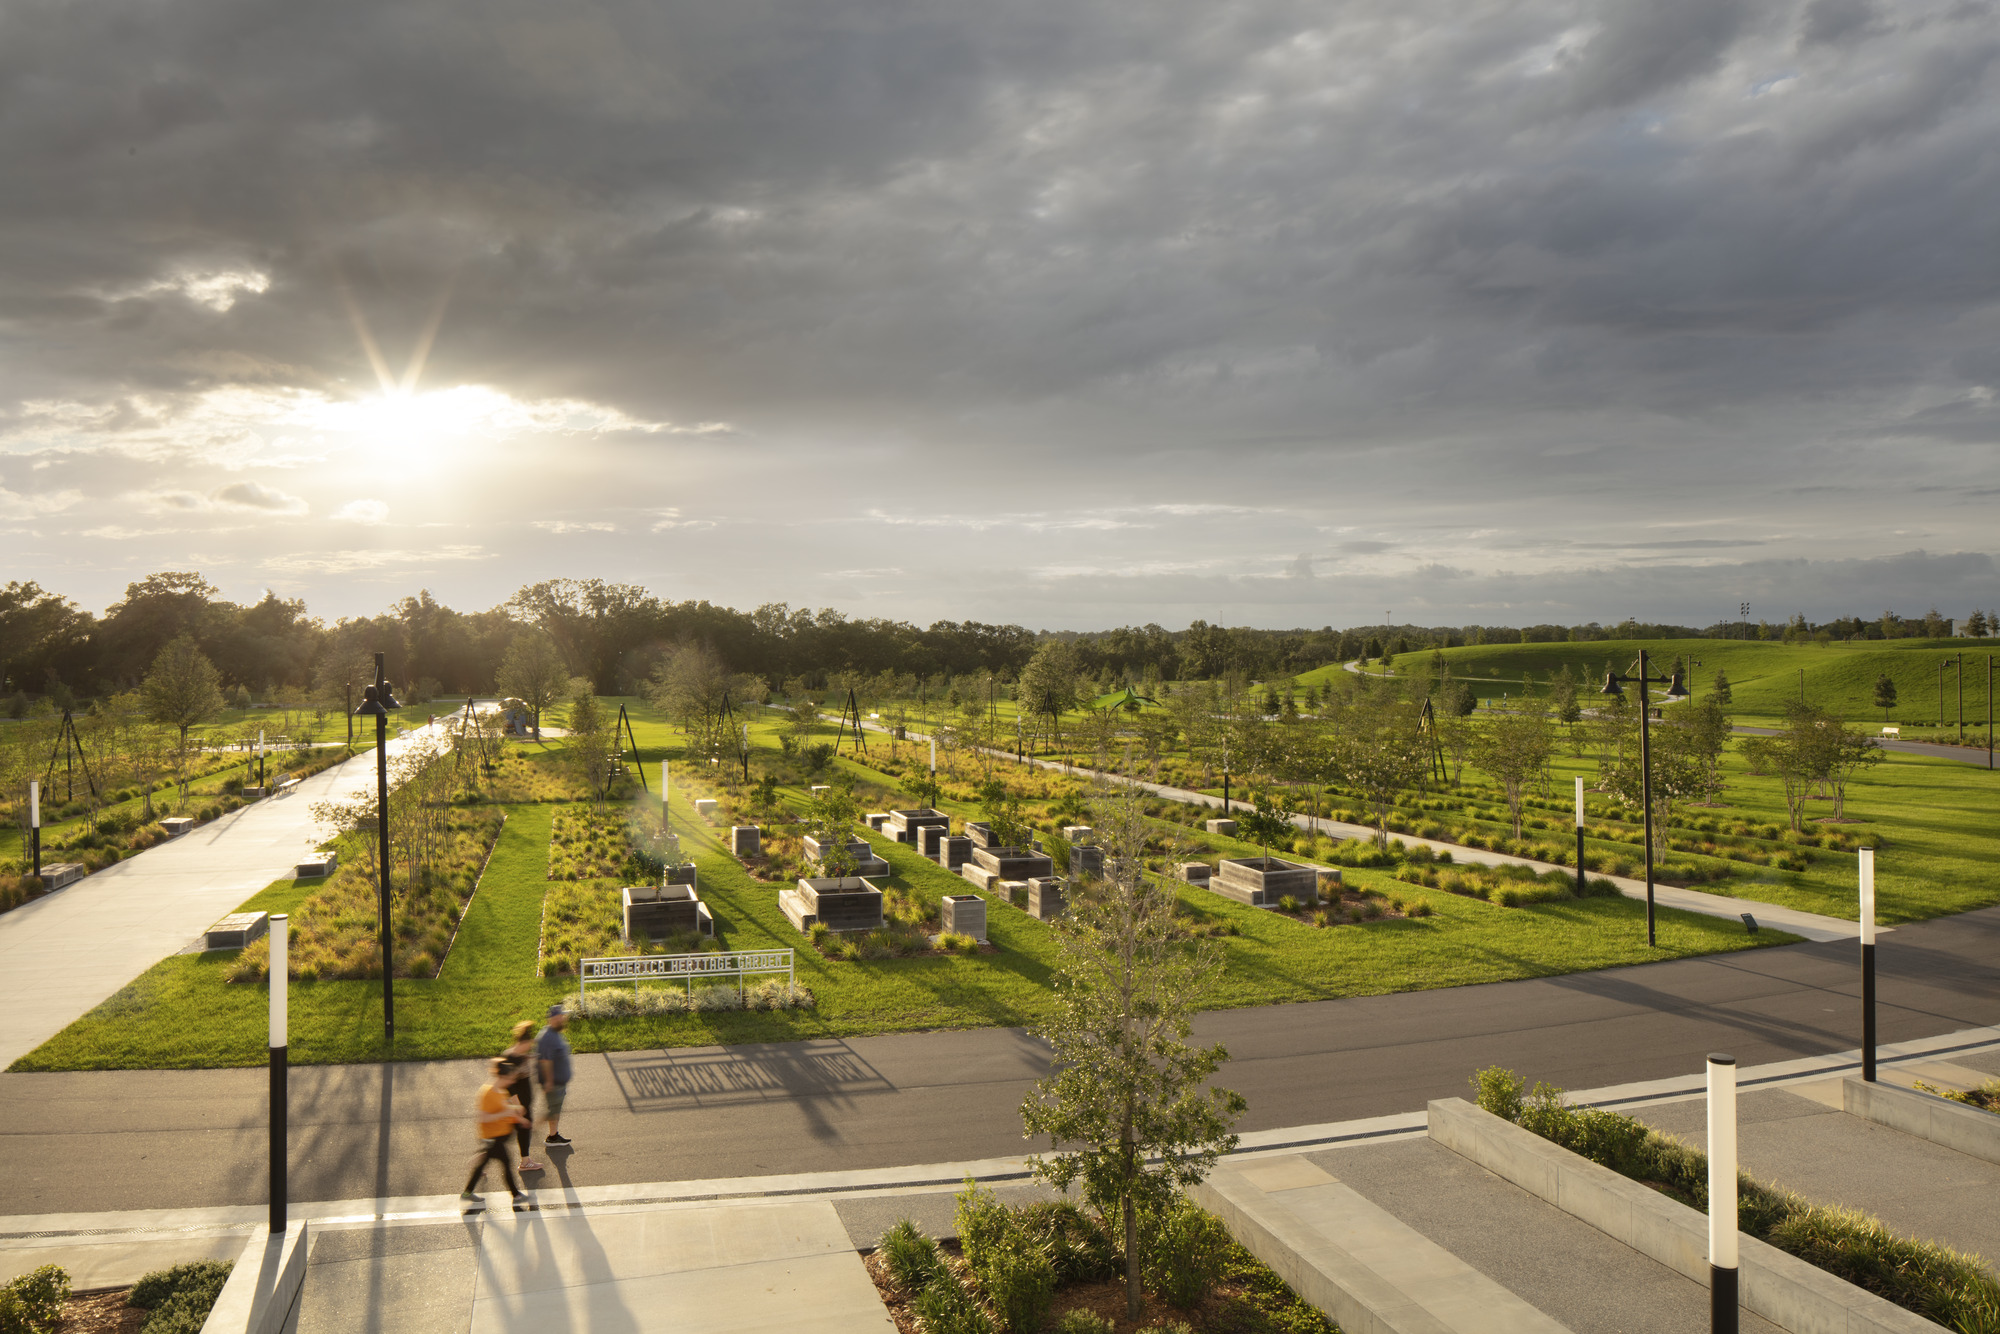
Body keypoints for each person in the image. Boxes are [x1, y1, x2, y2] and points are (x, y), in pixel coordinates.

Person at [461, 1056, 530, 1208]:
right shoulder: (487, 1093)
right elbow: (483, 1117)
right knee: (506, 1163)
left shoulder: (500, 1091)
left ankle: (467, 1193)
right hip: (492, 1137)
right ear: (503, 1076)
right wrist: (505, 1114)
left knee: (483, 1163)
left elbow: (505, 1109)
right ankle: (516, 1195)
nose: (512, 1082)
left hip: (497, 1137)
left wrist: (519, 1116)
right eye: (511, 1078)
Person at [502, 1020, 541, 1171]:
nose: (530, 1048)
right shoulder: (510, 1057)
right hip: (518, 1105)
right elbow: (508, 1084)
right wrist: (517, 1105)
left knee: (507, 1136)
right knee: (503, 1138)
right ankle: (525, 1162)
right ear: (523, 1042)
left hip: (524, 1105)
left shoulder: (520, 1055)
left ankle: (525, 1160)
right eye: (529, 1044)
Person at [536, 1003, 574, 1148]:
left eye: (563, 1016)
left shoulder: (555, 1033)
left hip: (559, 1081)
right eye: (559, 1017)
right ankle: (531, 1128)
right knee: (552, 1110)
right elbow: (545, 1061)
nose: (562, 1019)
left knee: (555, 1109)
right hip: (553, 1082)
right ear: (551, 1019)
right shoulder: (547, 1037)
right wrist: (549, 1081)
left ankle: (553, 1136)